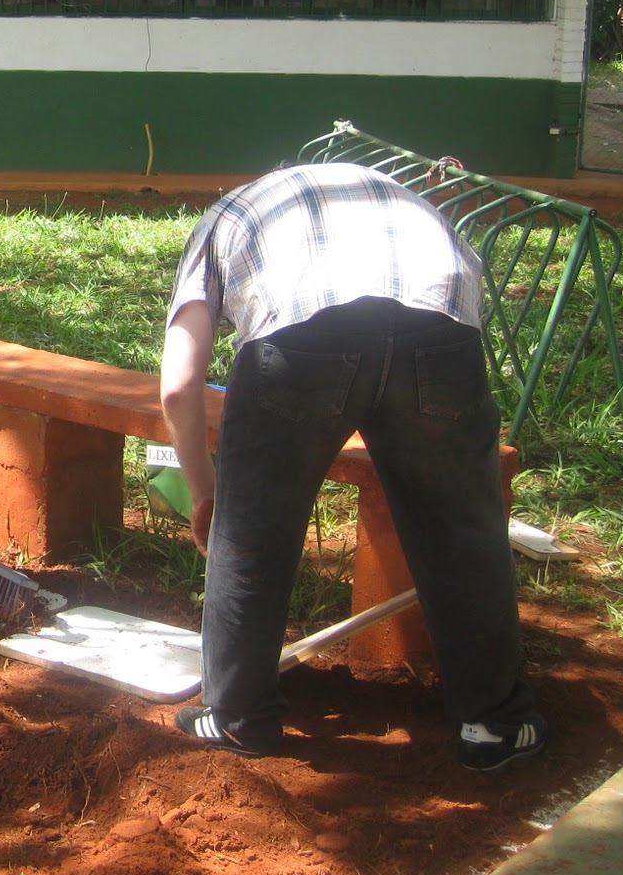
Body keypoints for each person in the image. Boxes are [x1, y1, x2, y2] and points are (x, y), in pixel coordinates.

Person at [158, 162, 546, 772]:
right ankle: (493, 723)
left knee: (251, 534)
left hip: (301, 338)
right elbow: (462, 292)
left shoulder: (225, 218)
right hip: (436, 327)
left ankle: (237, 717)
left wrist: (209, 498)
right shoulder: (401, 197)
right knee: (464, 531)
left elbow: (179, 387)